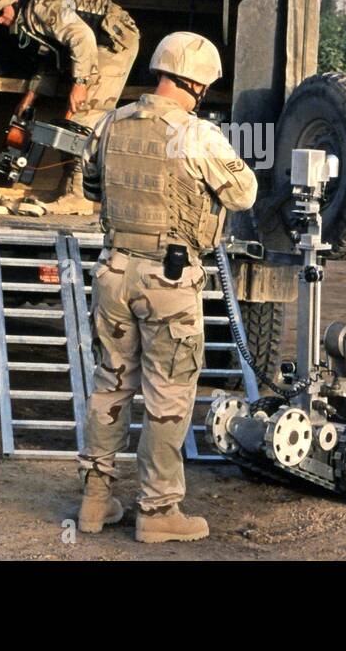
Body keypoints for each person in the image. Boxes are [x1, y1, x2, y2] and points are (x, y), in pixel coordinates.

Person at [75, 31, 257, 543]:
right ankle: (156, 512)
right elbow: (243, 194)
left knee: (110, 385)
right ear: (197, 83)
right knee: (168, 396)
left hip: (114, 272)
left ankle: (94, 500)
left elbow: (91, 187)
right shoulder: (196, 134)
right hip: (169, 280)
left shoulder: (110, 122)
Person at [0, 0, 140, 214]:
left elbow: (82, 36)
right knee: (70, 123)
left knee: (84, 119)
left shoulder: (43, 6)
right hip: (97, 42)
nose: (0, 21)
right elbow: (52, 58)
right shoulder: (30, 21)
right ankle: (67, 189)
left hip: (113, 41)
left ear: (12, 2)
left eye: (0, 13)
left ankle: (80, 196)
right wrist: (31, 95)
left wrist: (81, 82)